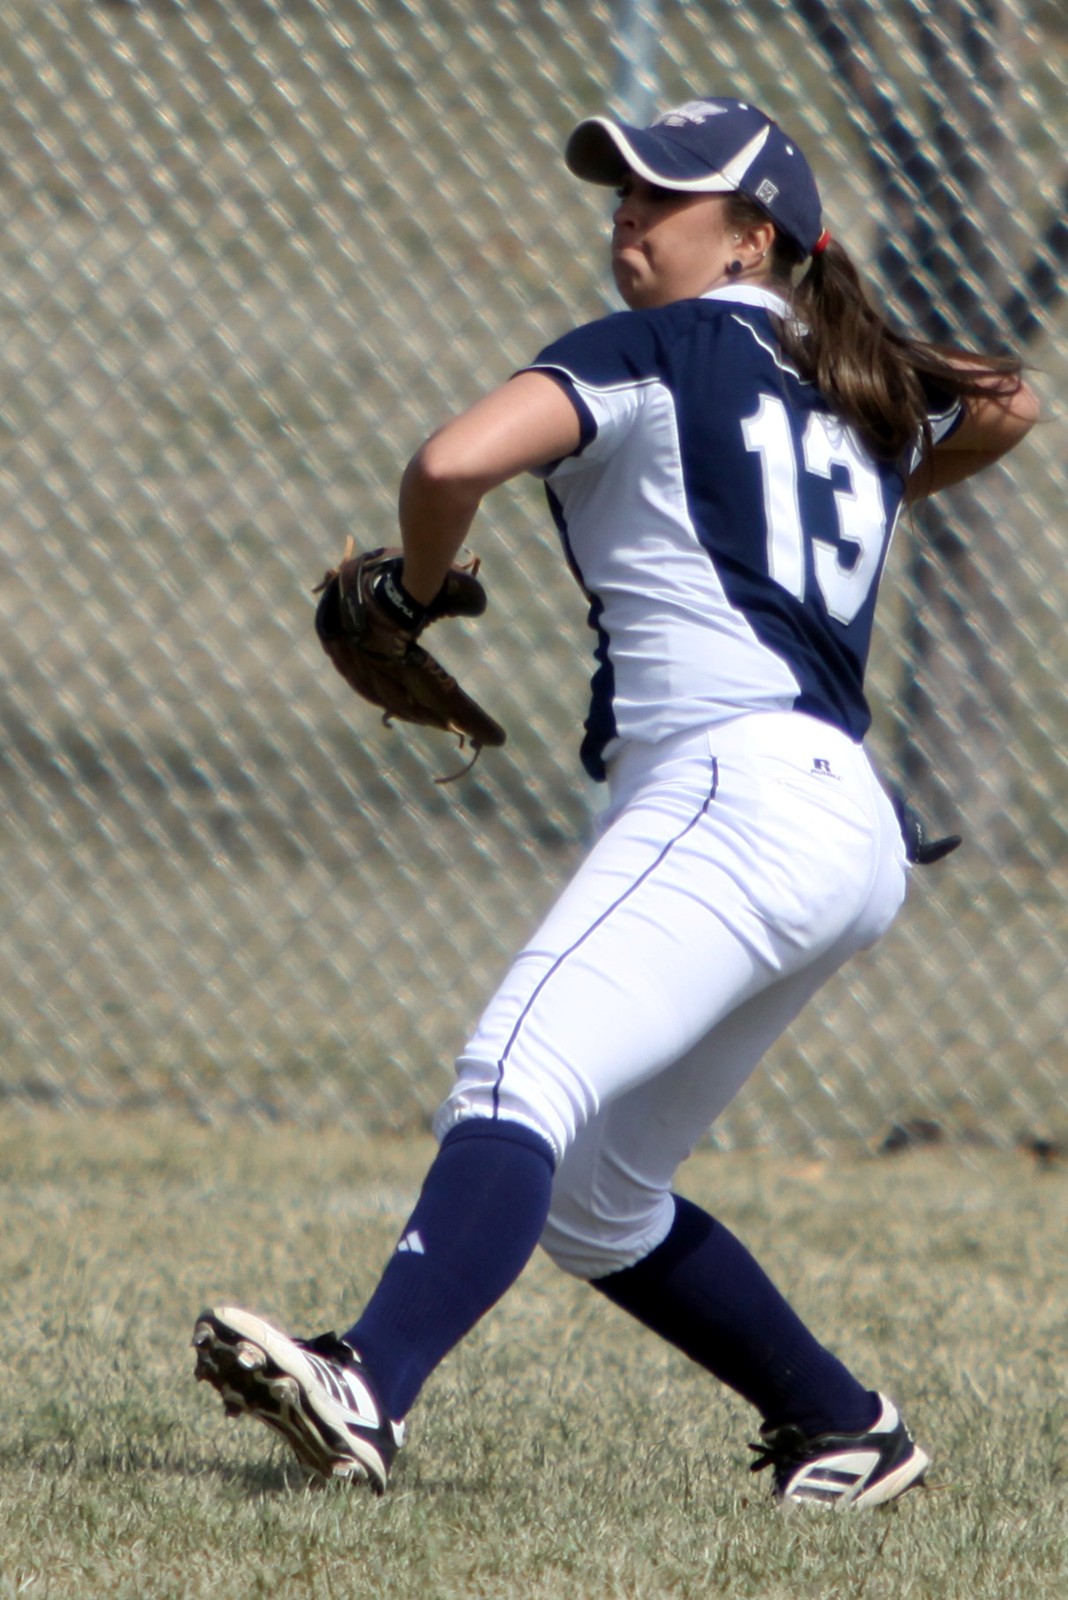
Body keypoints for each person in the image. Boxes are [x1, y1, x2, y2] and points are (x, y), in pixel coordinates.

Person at [192, 96, 1037, 1508]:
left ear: (752, 237)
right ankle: (847, 1429)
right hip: (847, 835)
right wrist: (874, 419)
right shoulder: (853, 379)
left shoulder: (653, 344)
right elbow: (1010, 401)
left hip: (736, 788)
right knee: (598, 1197)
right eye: (623, 190)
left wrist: (408, 588)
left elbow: (450, 463)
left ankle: (367, 1386)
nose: (630, 215)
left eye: (670, 196)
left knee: (519, 1070)